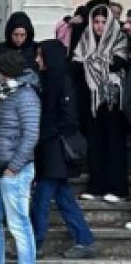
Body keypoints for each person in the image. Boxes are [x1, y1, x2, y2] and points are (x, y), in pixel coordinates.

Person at [31, 39, 98, 259]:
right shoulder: (47, 80)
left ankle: (34, 244)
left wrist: (46, 133)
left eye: (41, 55)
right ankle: (85, 240)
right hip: (49, 149)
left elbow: (68, 117)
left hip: (54, 149)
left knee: (42, 199)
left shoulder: (61, 81)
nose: (37, 60)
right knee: (64, 198)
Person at [0, 50, 41, 264]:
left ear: (6, 72)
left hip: (15, 171)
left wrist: (13, 167)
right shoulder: (6, 93)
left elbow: (31, 135)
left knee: (19, 224)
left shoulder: (26, 96)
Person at [72, 4, 129, 202]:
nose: (99, 26)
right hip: (92, 102)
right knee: (95, 145)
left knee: (114, 145)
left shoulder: (120, 39)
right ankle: (96, 186)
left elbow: (118, 63)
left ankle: (117, 187)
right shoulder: (85, 39)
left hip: (114, 102)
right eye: (96, 22)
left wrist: (91, 62)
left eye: (104, 22)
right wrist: (98, 62)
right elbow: (76, 64)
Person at [0, 12, 38, 89]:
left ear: (28, 34)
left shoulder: (35, 48)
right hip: (6, 93)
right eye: (15, 35)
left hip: (30, 93)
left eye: (22, 35)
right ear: (9, 33)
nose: (18, 39)